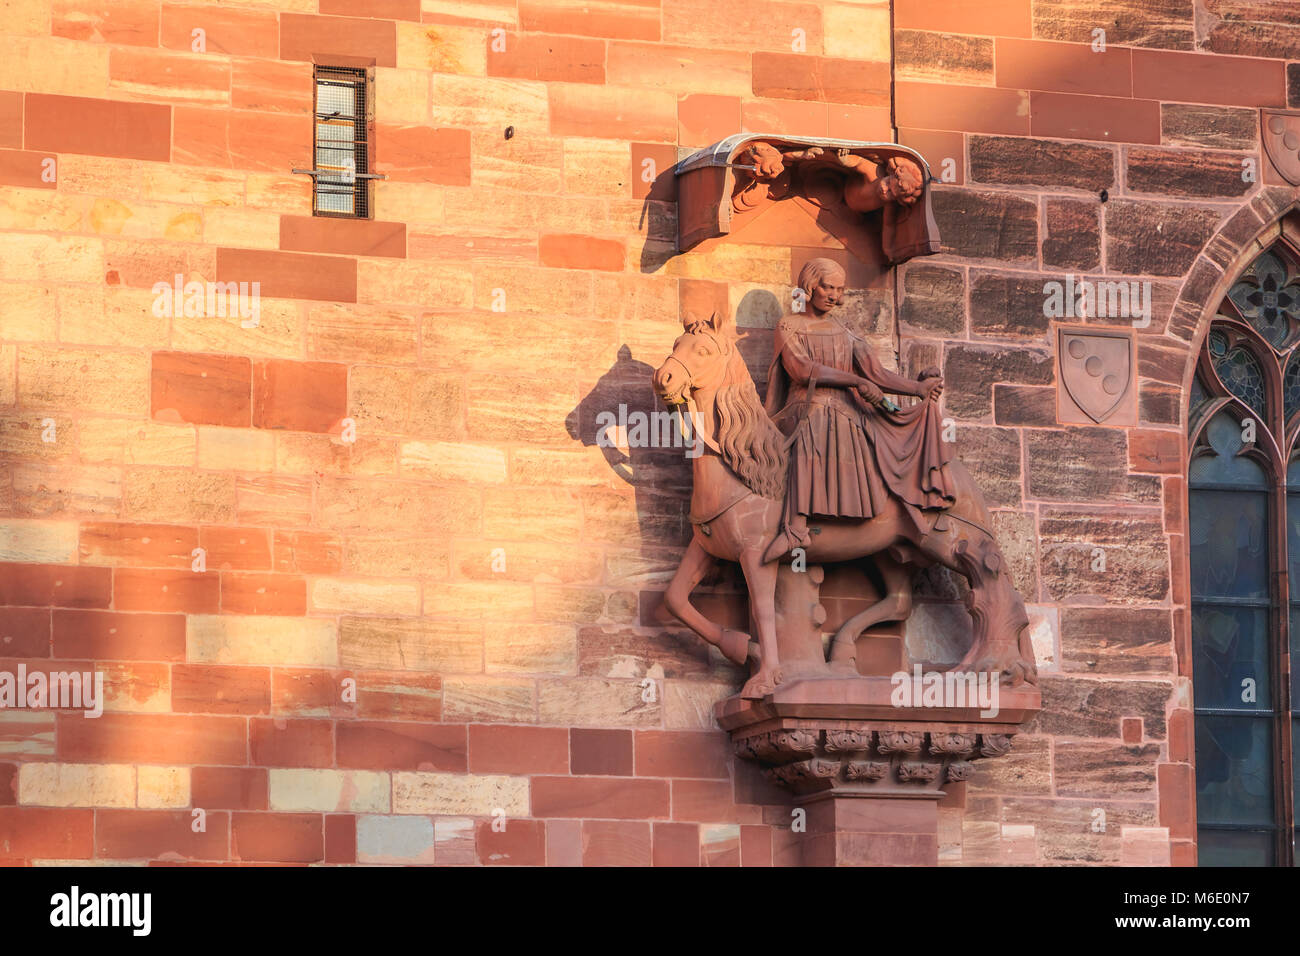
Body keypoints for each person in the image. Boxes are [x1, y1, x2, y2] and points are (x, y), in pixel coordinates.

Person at [762, 257, 954, 563]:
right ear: (811, 286)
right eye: (828, 287)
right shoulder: (790, 325)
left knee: (883, 440)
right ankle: (795, 529)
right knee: (812, 422)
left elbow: (875, 373)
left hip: (848, 413)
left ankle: (910, 515)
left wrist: (916, 389)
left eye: (839, 289)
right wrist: (853, 380)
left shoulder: (845, 329)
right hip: (805, 406)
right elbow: (801, 369)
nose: (835, 295)